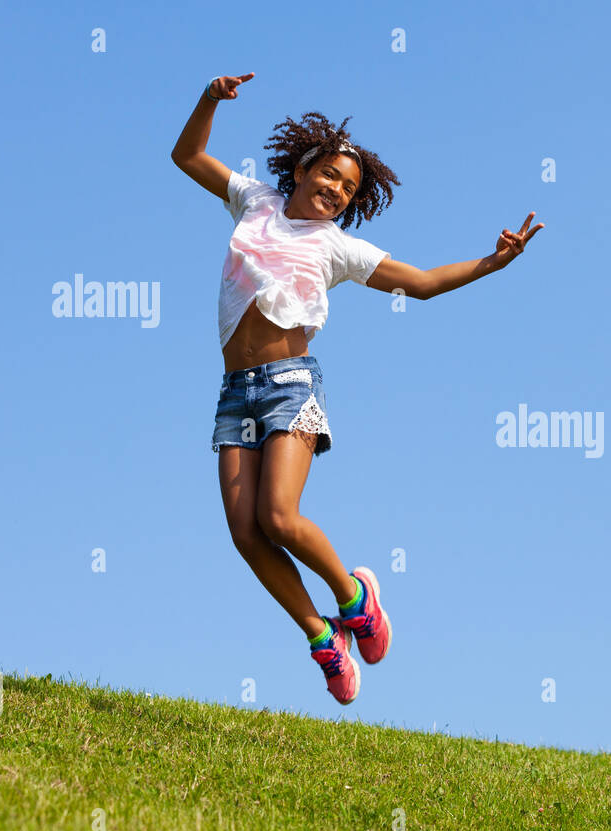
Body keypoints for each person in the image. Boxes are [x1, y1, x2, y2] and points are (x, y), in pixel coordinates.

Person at [171, 72, 544, 705]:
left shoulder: (336, 248)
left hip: (290, 385)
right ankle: (323, 638)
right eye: (330, 177)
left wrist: (492, 261)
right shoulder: (253, 200)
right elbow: (187, 157)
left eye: (348, 189)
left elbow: (421, 282)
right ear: (303, 167)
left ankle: (355, 597)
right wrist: (210, 98)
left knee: (279, 518)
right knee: (244, 533)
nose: (337, 192)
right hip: (235, 391)